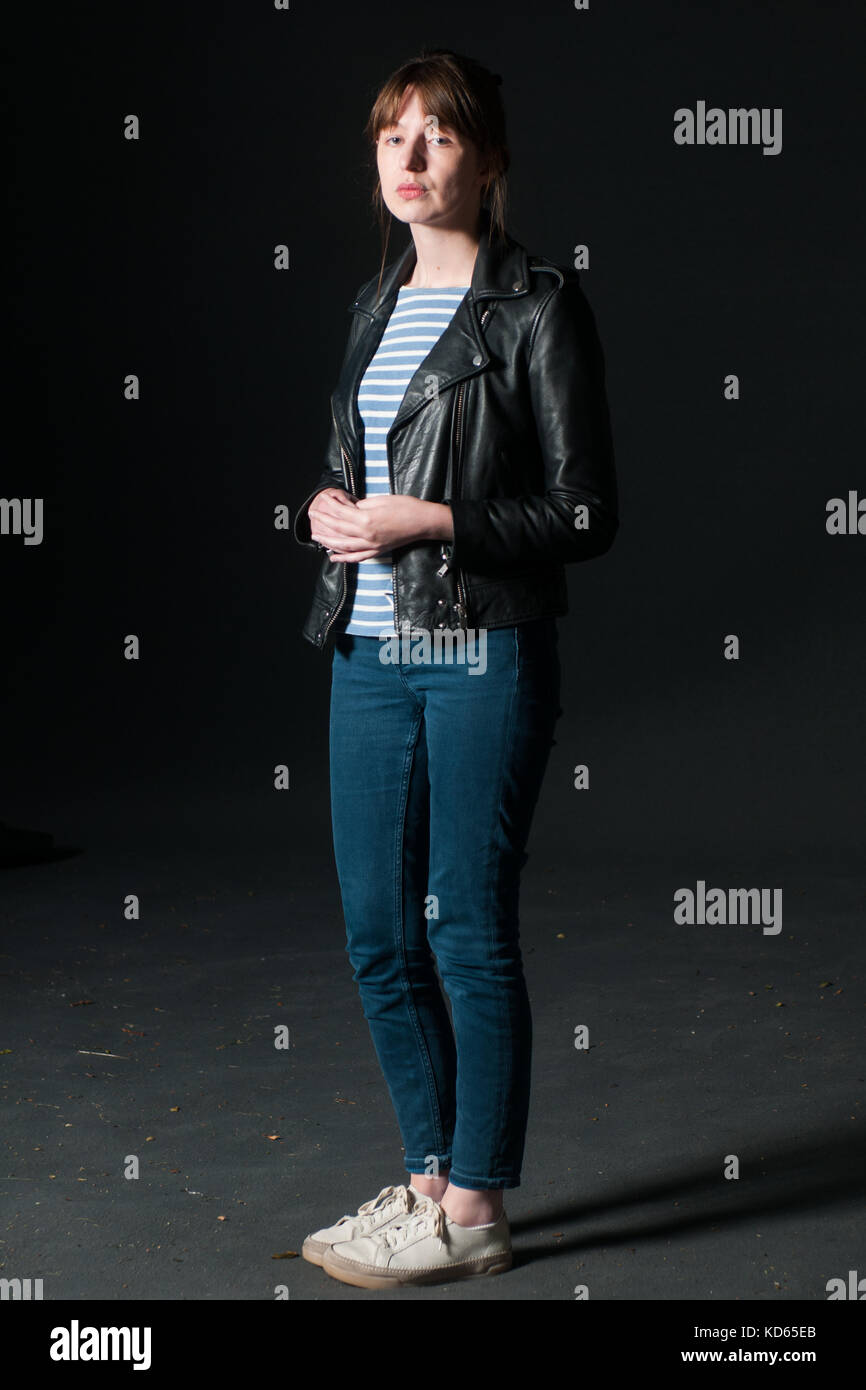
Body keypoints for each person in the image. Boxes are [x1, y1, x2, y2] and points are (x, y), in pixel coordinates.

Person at [292, 48, 619, 1289]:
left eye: (438, 135)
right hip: (368, 645)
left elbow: (586, 511)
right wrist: (335, 508)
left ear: (487, 159)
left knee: (464, 929)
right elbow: (366, 471)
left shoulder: (537, 302)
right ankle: (426, 1177)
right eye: (392, 137)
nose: (412, 158)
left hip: (478, 642)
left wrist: (430, 522)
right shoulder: (373, 306)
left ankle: (474, 1207)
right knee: (378, 932)